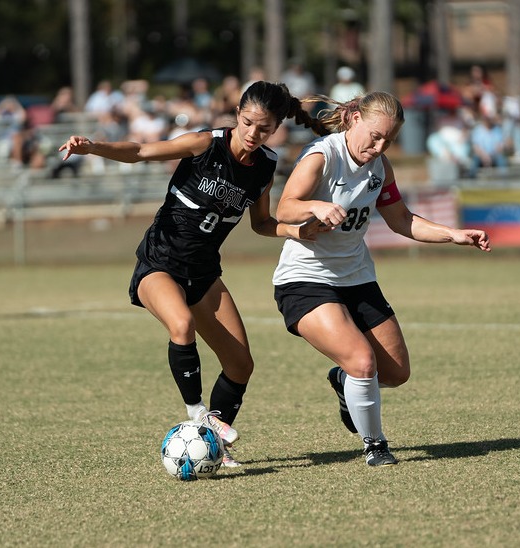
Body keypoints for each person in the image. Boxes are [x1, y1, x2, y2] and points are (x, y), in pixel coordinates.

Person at [58, 81, 324, 468]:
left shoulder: (265, 166)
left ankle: (216, 443)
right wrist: (93, 146)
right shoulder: (206, 143)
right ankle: (200, 417)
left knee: (240, 364)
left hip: (203, 274)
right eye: (248, 122)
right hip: (159, 264)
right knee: (180, 324)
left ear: (276, 128)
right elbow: (140, 150)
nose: (253, 133)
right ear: (237, 114)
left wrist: (296, 231)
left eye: (264, 128)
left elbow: (262, 222)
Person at [271, 91, 491, 466]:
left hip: (357, 277)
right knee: (363, 362)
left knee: (396, 373)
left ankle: (343, 382)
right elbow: (284, 208)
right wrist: (317, 205)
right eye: (375, 136)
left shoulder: (380, 167)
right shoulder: (323, 156)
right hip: (305, 279)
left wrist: (452, 234)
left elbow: (401, 220)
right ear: (353, 118)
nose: (379, 146)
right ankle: (375, 445)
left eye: (388, 140)